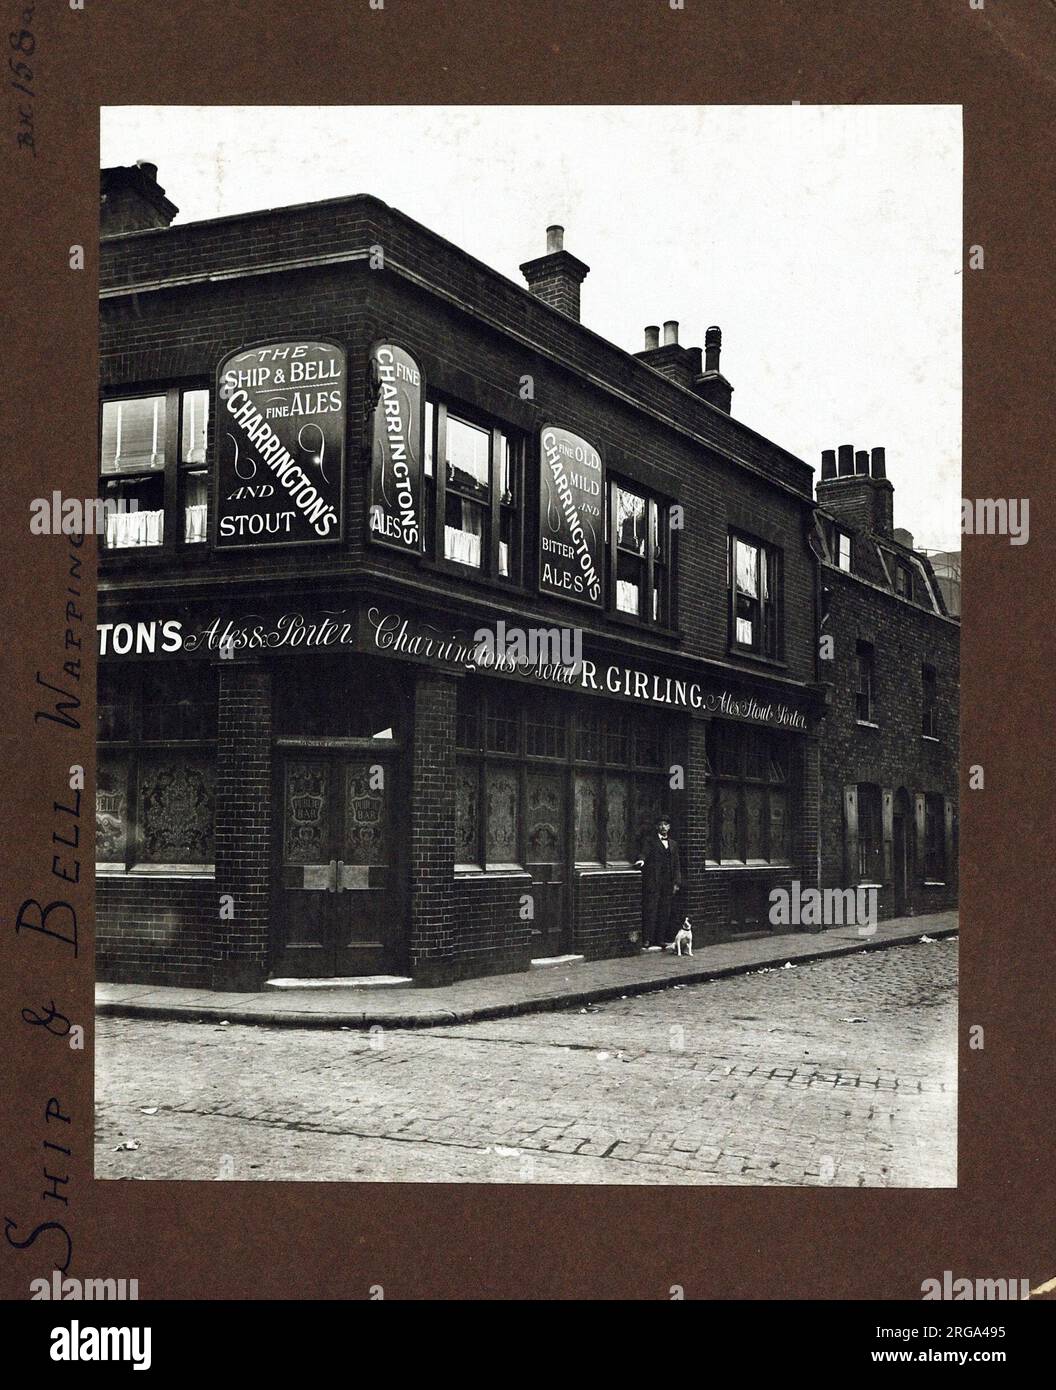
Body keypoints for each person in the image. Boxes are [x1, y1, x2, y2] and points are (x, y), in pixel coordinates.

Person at [635, 816, 682, 949]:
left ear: (669, 827)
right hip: (654, 882)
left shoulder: (673, 844)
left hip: (668, 883)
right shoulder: (650, 841)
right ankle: (647, 939)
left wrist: (677, 882)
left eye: (665, 825)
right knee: (651, 910)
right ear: (657, 827)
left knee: (664, 911)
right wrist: (641, 860)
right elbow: (644, 853)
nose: (663, 827)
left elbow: (677, 864)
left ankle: (660, 939)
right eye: (660, 824)